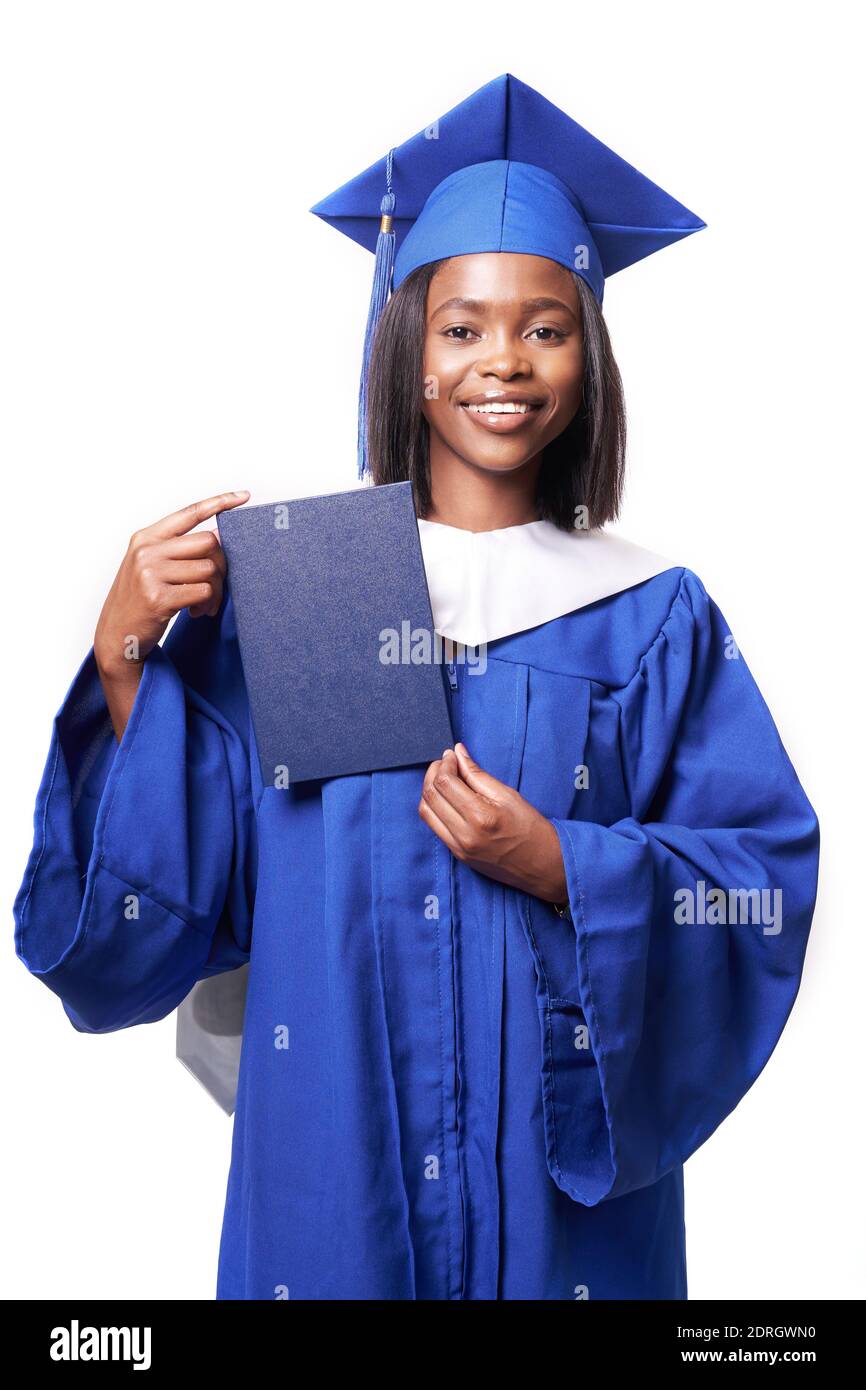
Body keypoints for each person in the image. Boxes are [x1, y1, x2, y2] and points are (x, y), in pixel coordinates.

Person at [14, 74, 819, 1301]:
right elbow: (181, 900)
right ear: (406, 344)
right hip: (334, 1193)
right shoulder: (315, 589)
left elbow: (755, 892)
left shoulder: (650, 620)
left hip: (564, 1230)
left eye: (545, 327)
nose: (504, 361)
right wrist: (128, 650)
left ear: (587, 356)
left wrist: (563, 864)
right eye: (462, 328)